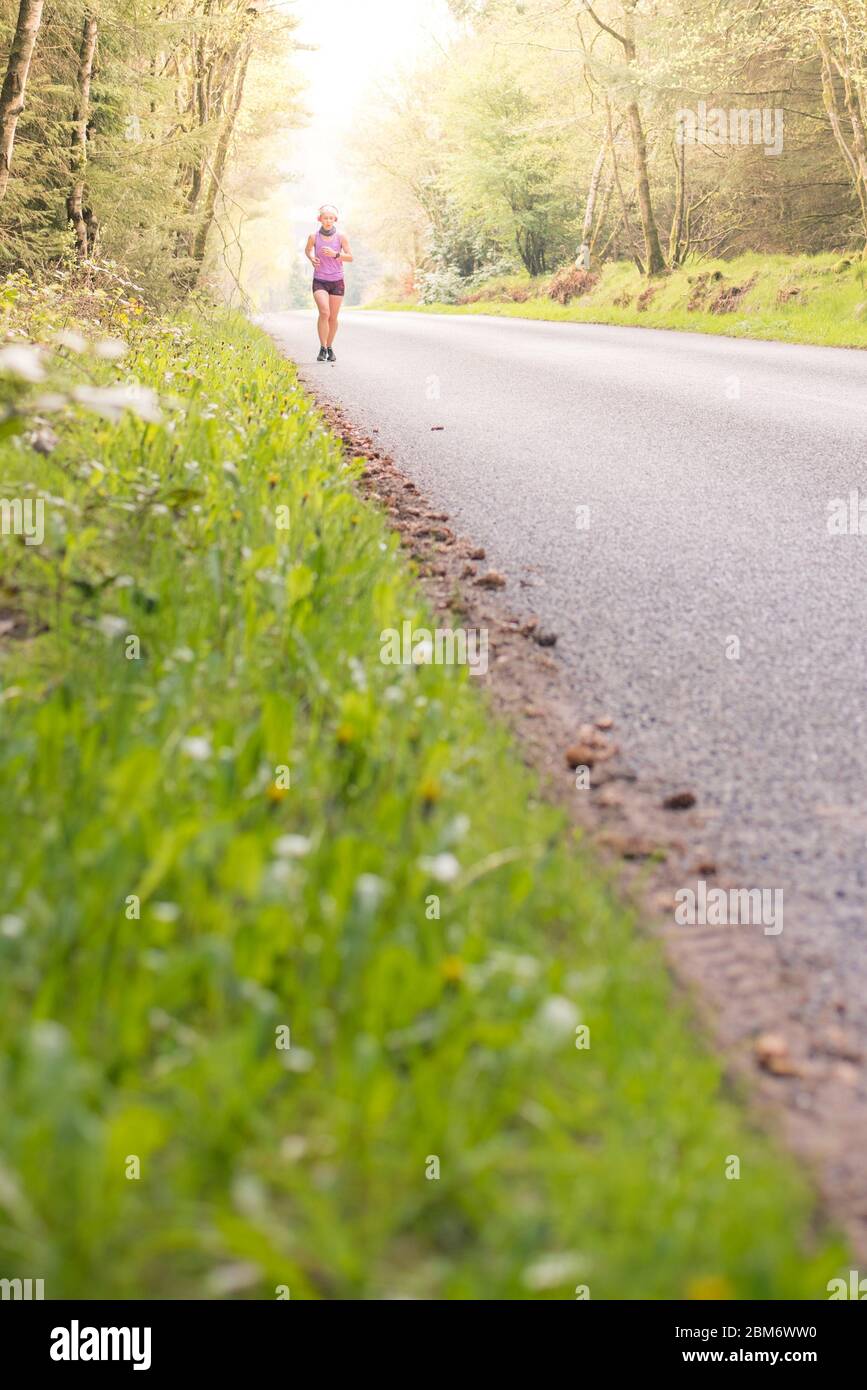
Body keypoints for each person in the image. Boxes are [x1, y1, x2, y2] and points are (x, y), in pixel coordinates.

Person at [305, 204, 353, 363]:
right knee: (324, 312)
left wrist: (335, 254)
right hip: (320, 280)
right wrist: (312, 258)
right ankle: (322, 347)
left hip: (337, 281)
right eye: (325, 218)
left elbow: (350, 257)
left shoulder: (341, 237)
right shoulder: (313, 237)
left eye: (331, 218)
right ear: (319, 219)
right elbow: (308, 250)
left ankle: (330, 347)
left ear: (335, 220)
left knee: (333, 317)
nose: (328, 221)